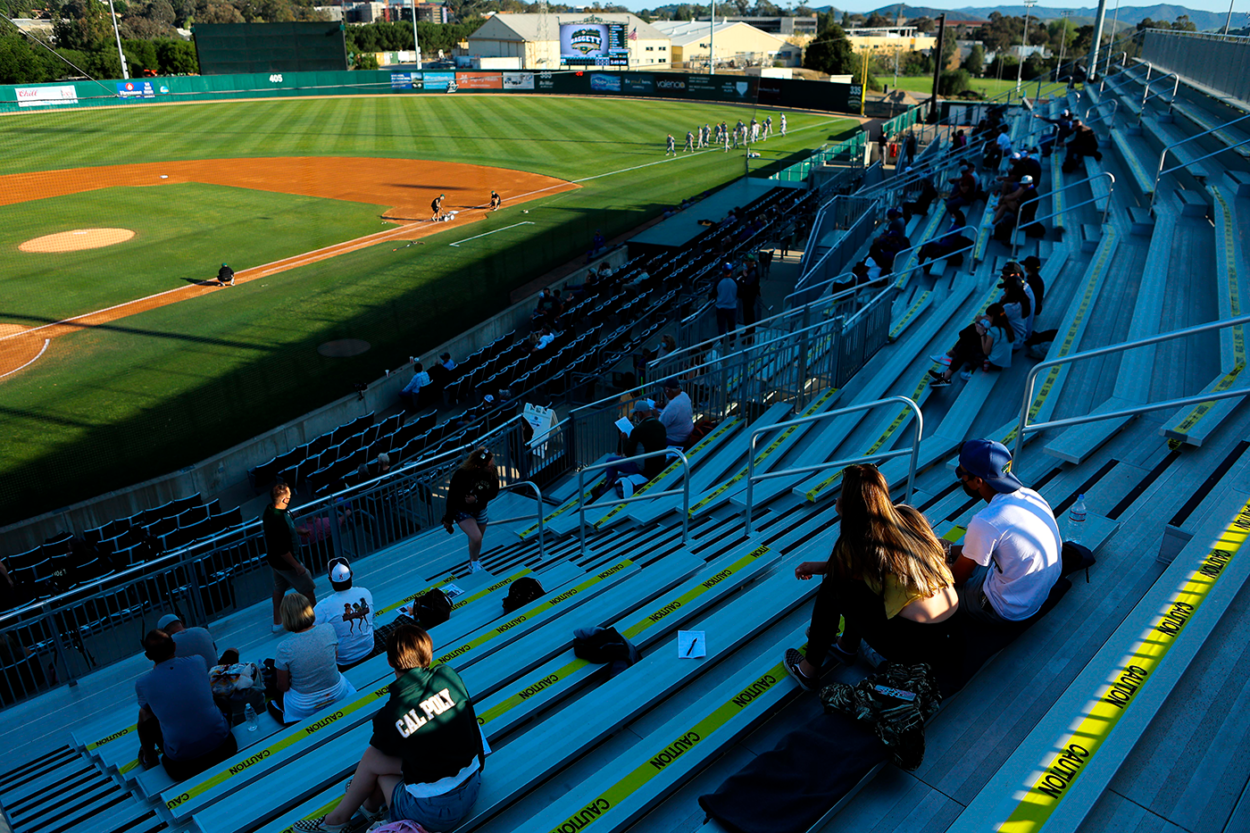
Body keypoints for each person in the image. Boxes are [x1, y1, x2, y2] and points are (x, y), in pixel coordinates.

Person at [783, 465, 960, 691]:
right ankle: (845, 647)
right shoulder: (908, 516)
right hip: (951, 630)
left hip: (916, 649)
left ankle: (808, 669)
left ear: (848, 502)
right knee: (860, 585)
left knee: (833, 587)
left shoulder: (859, 539)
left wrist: (844, 517)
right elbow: (861, 568)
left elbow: (845, 574)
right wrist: (819, 566)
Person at [293, 625, 485, 833]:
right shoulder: (448, 675)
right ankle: (365, 806)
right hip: (473, 787)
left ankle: (340, 819)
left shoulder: (390, 715)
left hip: (432, 814)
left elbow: (382, 756)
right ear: (428, 656)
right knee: (383, 761)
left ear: (390, 662)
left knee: (374, 764)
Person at [947, 439, 1062, 625]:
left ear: (977, 481)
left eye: (961, 474)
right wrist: (946, 550)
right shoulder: (1032, 496)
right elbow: (981, 548)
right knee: (951, 552)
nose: (961, 479)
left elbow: (956, 579)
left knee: (930, 590)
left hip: (1004, 608)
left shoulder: (987, 521)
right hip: (1034, 594)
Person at [135, 629, 236, 779]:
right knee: (215, 698)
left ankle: (149, 758)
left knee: (144, 715)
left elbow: (149, 711)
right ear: (174, 646)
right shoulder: (198, 661)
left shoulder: (143, 684)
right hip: (225, 746)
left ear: (148, 656)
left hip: (183, 765)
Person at [272, 593, 356, 724]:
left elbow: (283, 687)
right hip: (337, 692)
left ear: (286, 617)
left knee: (273, 694)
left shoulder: (284, 648)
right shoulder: (328, 628)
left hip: (305, 706)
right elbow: (334, 659)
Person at [262, 483, 316, 634]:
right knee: (308, 590)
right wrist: (297, 566)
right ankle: (315, 619)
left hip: (275, 562)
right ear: (284, 499)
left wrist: (298, 530)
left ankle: (277, 622)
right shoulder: (278, 520)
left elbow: (286, 527)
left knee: (279, 588)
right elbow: (282, 549)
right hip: (287, 564)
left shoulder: (270, 510)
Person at [593, 401, 669, 500]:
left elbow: (628, 453)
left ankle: (608, 490)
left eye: (636, 414)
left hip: (645, 467)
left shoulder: (638, 430)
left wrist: (625, 440)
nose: (635, 416)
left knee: (610, 462)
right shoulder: (660, 426)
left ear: (640, 413)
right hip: (660, 463)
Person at [442, 448, 499, 574]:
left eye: (492, 463)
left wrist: (477, 498)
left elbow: (494, 492)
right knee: (476, 537)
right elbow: (452, 496)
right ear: (479, 466)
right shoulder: (462, 474)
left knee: (477, 540)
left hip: (480, 508)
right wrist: (448, 518)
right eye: (489, 465)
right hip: (463, 510)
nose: (492, 467)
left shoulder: (492, 472)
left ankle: (473, 561)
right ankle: (475, 562)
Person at [928, 304, 1013, 387]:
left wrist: (981, 334)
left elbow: (986, 352)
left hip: (992, 364)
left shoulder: (993, 330)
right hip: (1001, 362)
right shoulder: (1007, 327)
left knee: (965, 348)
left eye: (988, 316)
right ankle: (946, 374)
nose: (987, 319)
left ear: (993, 317)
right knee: (968, 341)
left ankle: (946, 377)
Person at [313, 560, 375, 670]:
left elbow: (312, 633)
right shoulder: (365, 592)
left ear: (330, 579)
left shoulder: (322, 607)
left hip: (344, 660)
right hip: (368, 649)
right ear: (351, 574)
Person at [157, 613, 223, 673]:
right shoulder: (202, 630)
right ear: (182, 623)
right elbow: (215, 652)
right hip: (216, 673)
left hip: (196, 679)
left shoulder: (169, 644)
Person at [918, 208, 969, 275]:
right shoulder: (956, 226)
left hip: (944, 246)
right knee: (927, 246)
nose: (952, 218)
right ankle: (920, 261)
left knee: (927, 241)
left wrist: (946, 234)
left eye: (953, 217)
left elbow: (946, 234)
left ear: (957, 217)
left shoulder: (956, 227)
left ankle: (920, 261)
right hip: (944, 244)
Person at [659, 379, 694, 447]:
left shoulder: (672, 406)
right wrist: (662, 406)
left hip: (675, 439)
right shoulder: (684, 395)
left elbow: (660, 425)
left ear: (669, 391)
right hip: (688, 432)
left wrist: (655, 414)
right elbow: (676, 409)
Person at [714, 266, 739, 343]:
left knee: (721, 327)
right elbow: (740, 293)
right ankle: (732, 344)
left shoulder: (719, 281)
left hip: (721, 307)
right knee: (732, 326)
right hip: (732, 307)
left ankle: (722, 343)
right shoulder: (735, 281)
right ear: (731, 271)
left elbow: (713, 294)